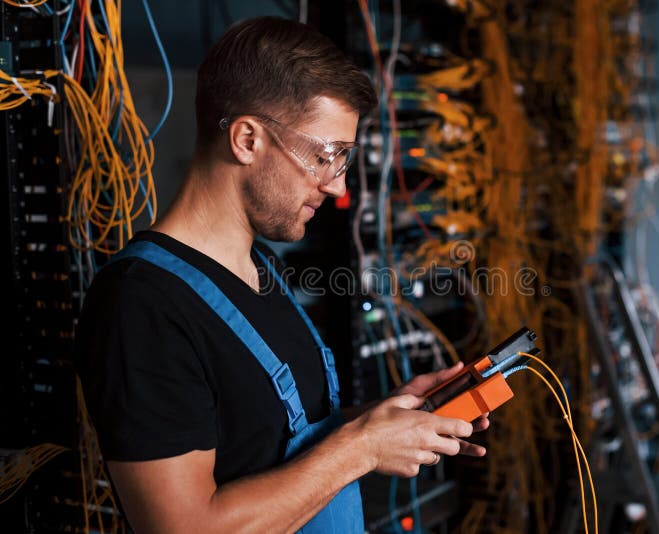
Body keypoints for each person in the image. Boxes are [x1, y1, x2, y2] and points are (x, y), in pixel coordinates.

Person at [76, 16, 488, 533]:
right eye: (325, 156)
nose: (337, 189)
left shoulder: (260, 267)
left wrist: (389, 417)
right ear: (248, 139)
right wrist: (361, 448)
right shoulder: (142, 306)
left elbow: (265, 440)